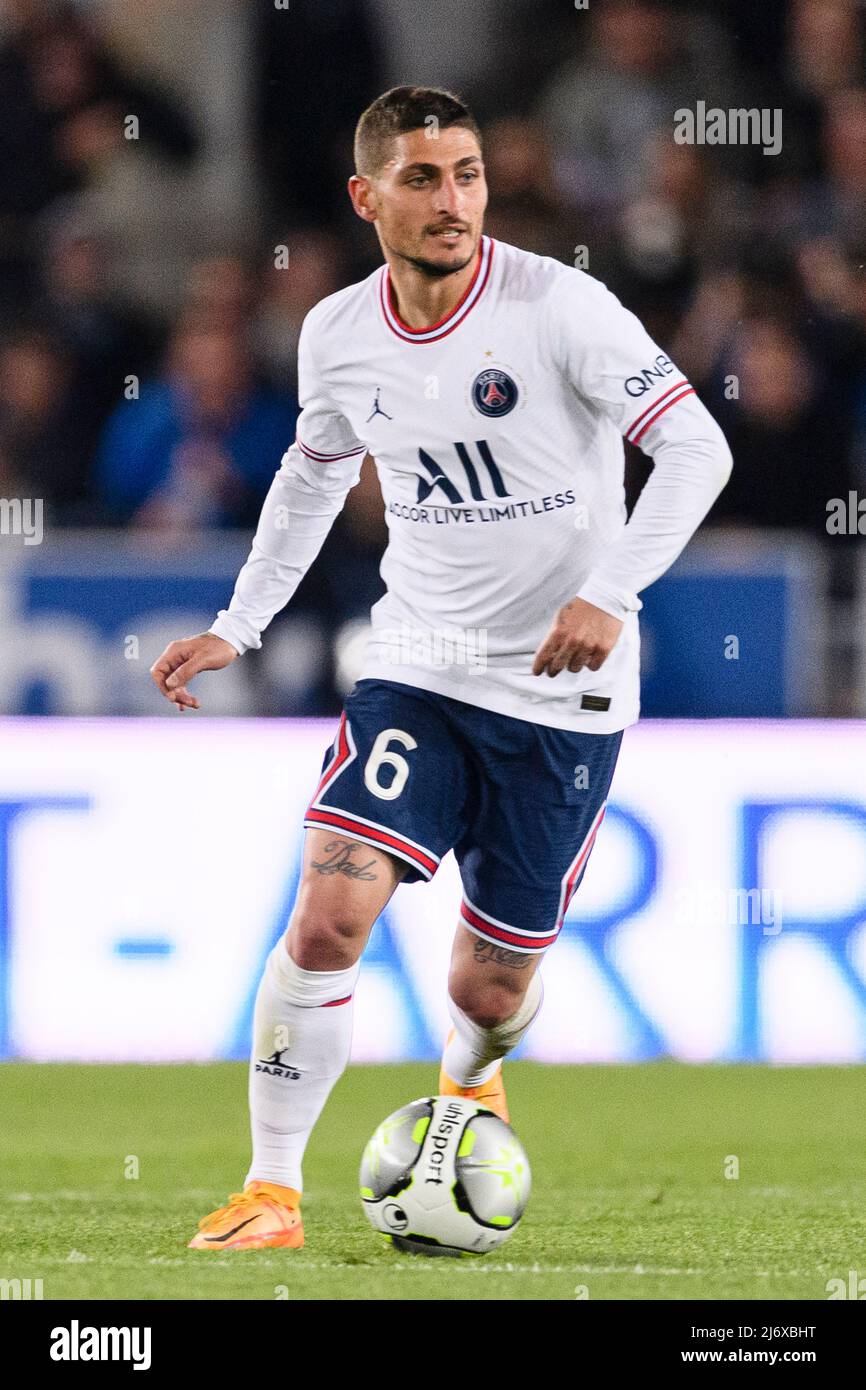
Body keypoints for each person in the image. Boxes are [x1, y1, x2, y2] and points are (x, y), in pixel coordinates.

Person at [150, 86, 732, 1252]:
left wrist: (606, 593)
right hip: (418, 663)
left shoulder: (560, 307)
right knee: (326, 914)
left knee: (488, 988)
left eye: (465, 174)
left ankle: (471, 1077)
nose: (452, 200)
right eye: (421, 179)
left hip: (562, 693)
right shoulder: (337, 331)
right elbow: (313, 474)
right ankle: (271, 1191)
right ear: (367, 197)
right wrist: (242, 621)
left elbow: (693, 446)